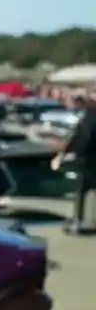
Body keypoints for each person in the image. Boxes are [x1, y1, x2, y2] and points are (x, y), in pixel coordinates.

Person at [53, 95, 96, 235]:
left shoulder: (89, 116)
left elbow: (82, 138)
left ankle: (79, 221)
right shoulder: (88, 115)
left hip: (88, 160)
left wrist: (70, 153)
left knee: (82, 190)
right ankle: (80, 221)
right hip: (89, 158)